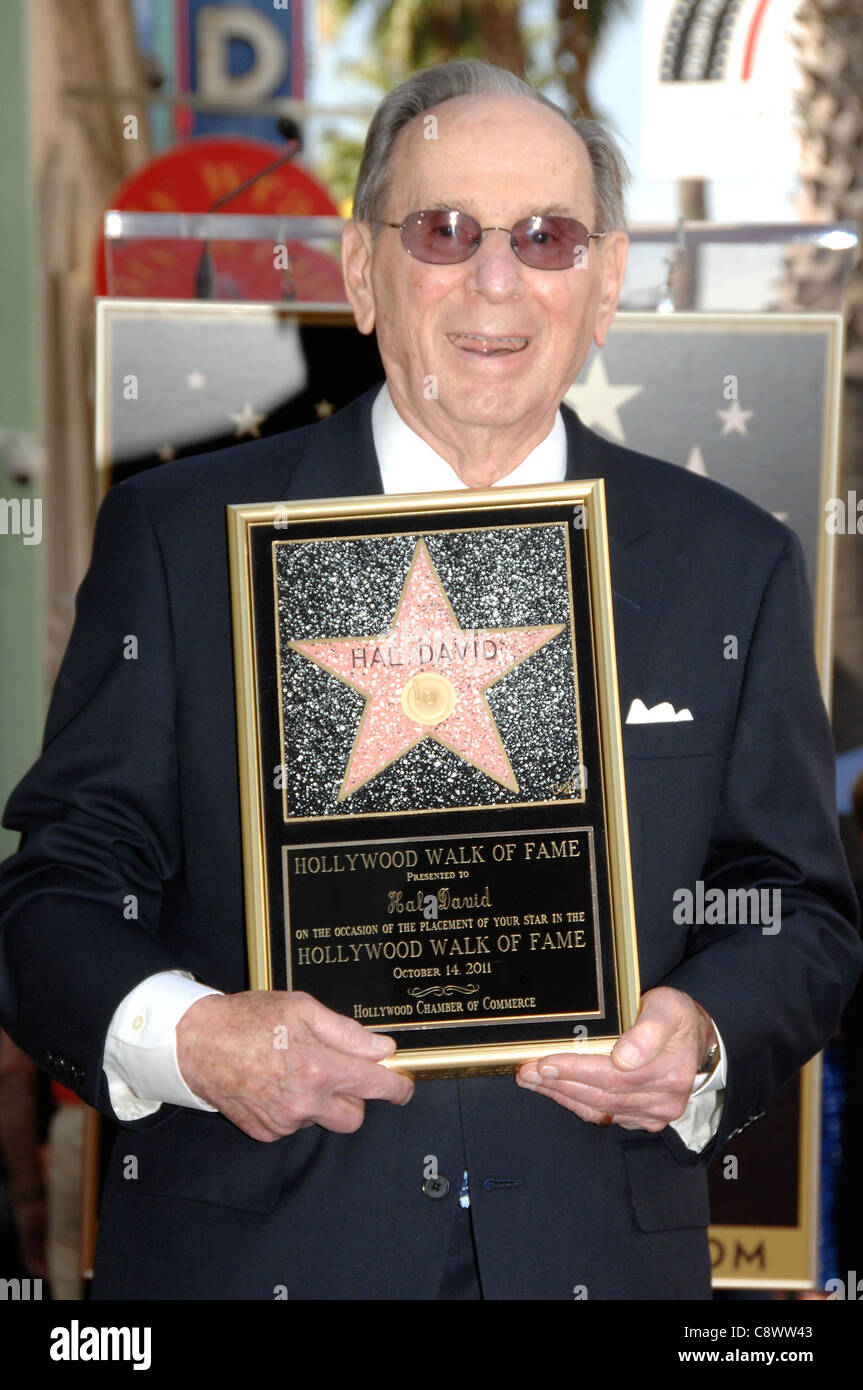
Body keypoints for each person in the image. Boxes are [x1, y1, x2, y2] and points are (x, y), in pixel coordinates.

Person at [0, 59, 860, 1301]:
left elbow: (799, 911)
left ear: (605, 282)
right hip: (253, 1260)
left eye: (547, 236)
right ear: (360, 273)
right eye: (446, 232)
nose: (495, 279)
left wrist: (704, 1035)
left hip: (597, 1262)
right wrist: (192, 1037)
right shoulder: (179, 538)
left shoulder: (731, 564)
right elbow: (51, 900)